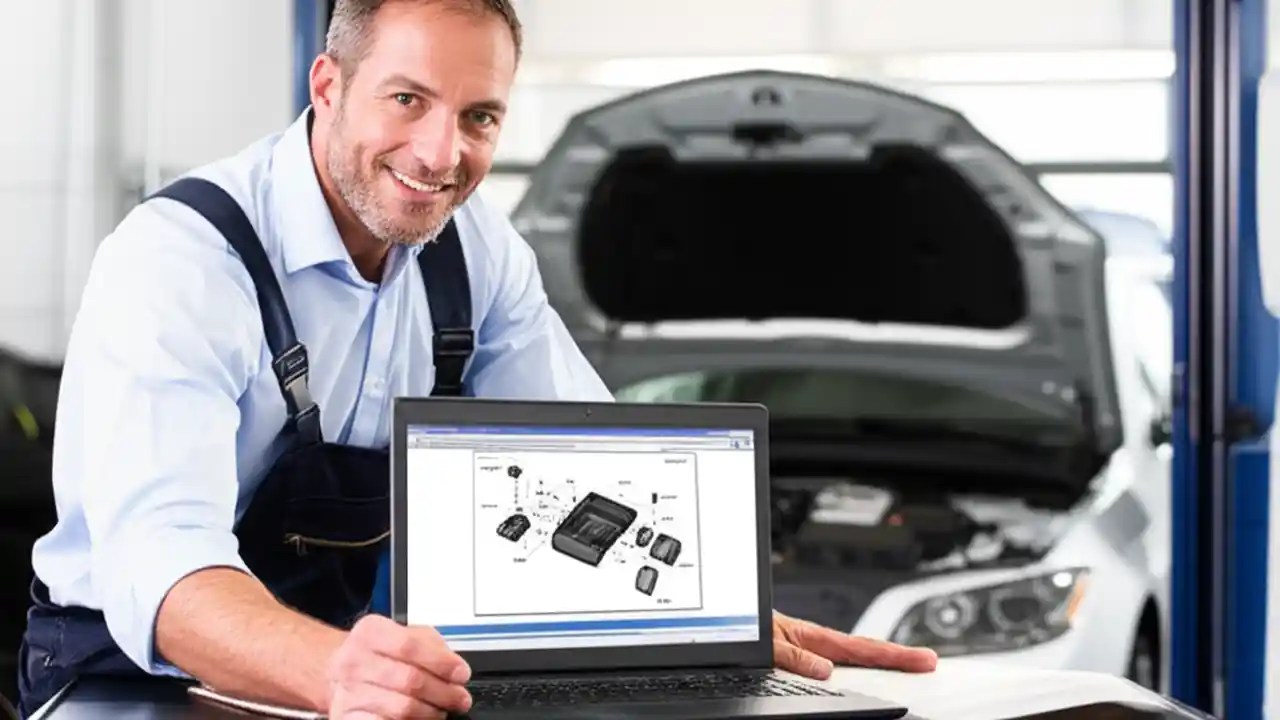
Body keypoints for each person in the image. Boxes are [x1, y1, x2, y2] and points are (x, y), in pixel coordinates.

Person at [16, 0, 938, 717]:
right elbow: (161, 564)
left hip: (344, 673)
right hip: (124, 673)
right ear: (328, 85)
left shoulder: (474, 250)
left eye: (480, 116)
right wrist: (338, 671)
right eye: (408, 100)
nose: (441, 154)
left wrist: (710, 615)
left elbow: (587, 454)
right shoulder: (183, 259)